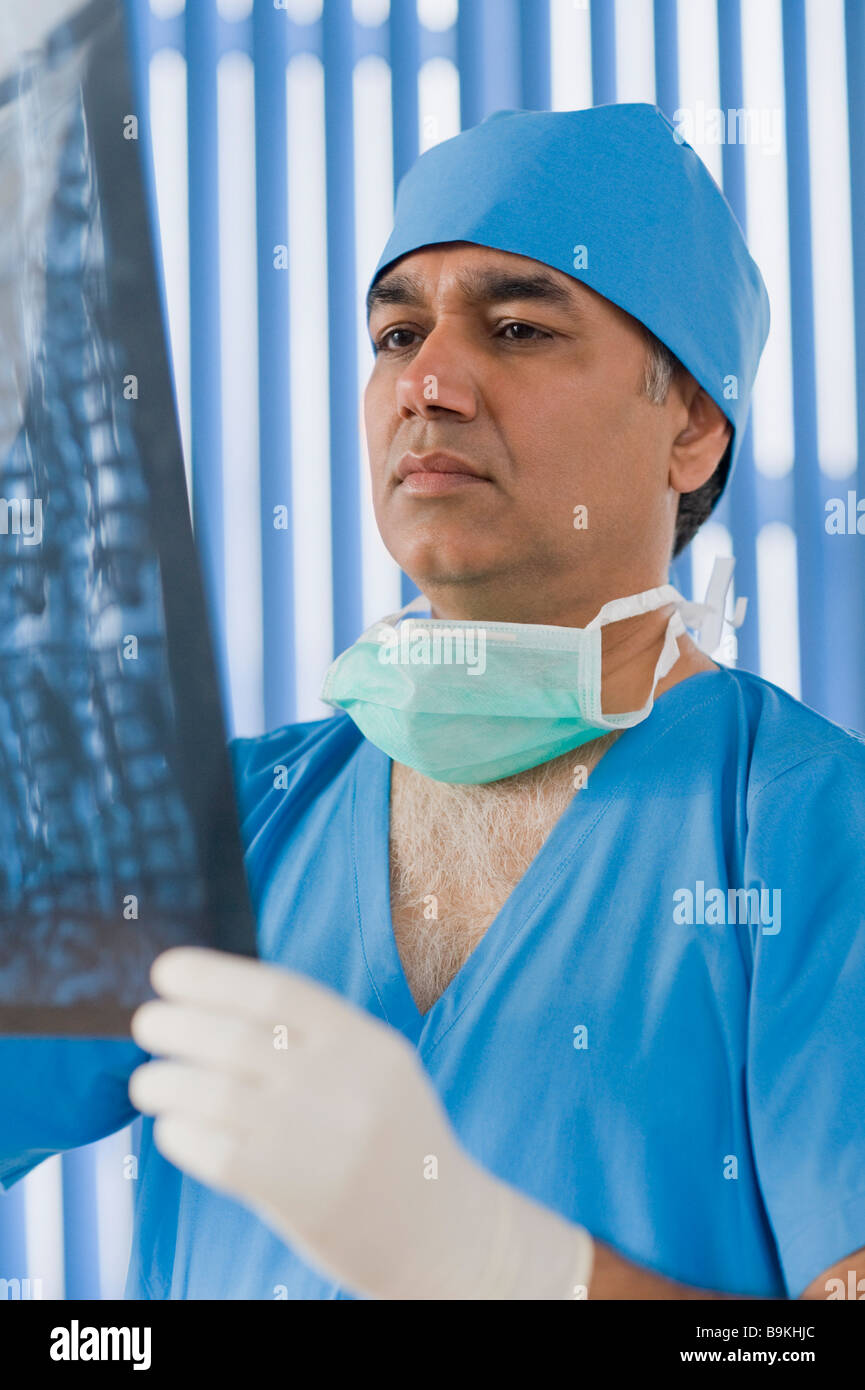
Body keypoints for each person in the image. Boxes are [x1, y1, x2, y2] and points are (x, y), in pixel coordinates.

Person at [2, 104, 865, 1301]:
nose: (428, 381)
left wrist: (505, 1267)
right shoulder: (217, 830)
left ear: (693, 428)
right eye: (397, 332)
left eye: (517, 328)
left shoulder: (809, 835)